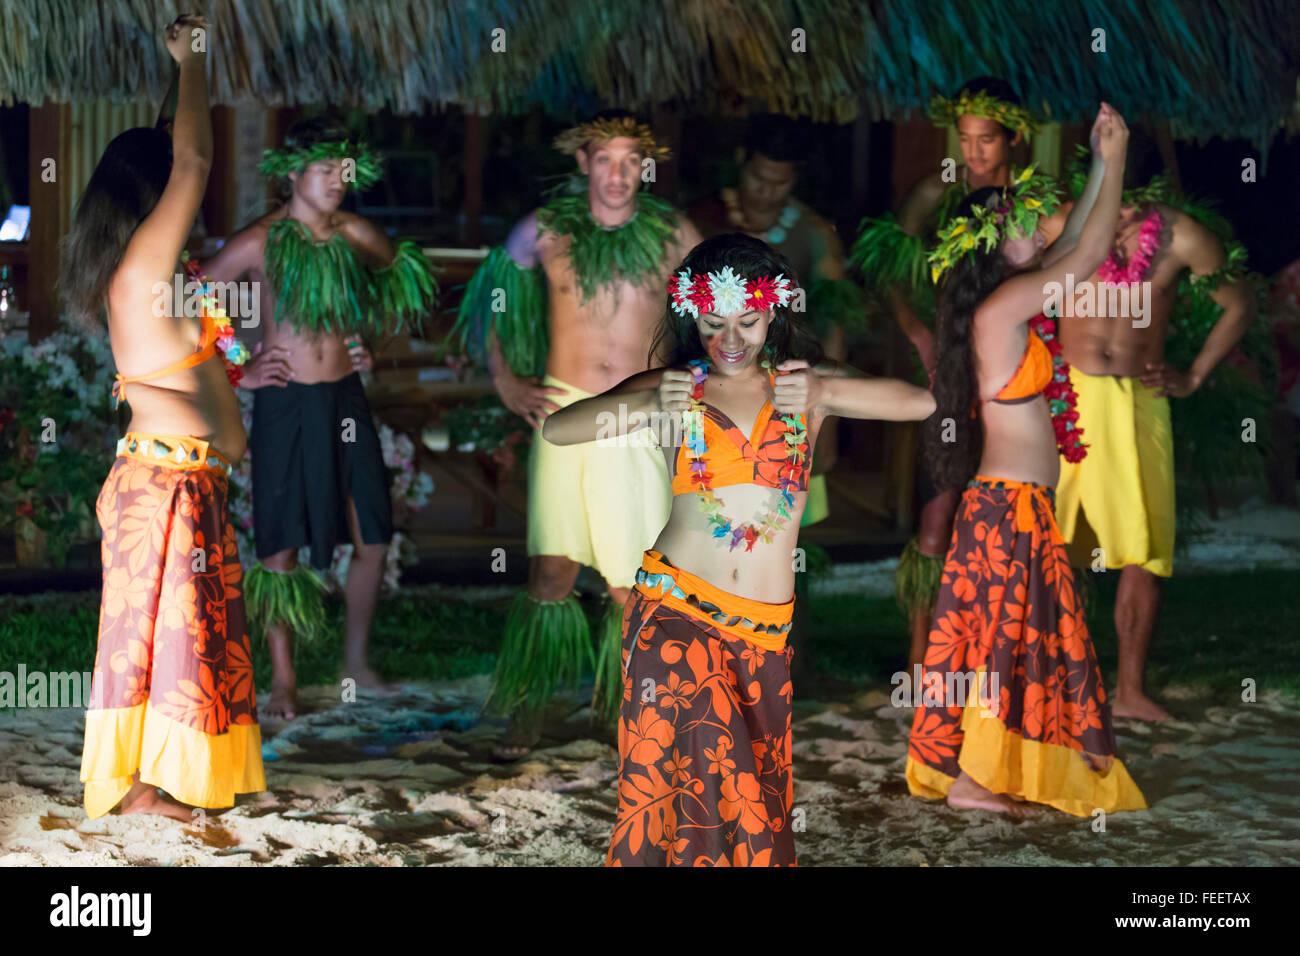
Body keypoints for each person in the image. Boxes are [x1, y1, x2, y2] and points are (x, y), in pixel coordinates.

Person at [543, 233, 935, 866]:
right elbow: (558, 429)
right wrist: (648, 403)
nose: (729, 339)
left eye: (748, 321)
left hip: (761, 630)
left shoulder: (804, 388)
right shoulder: (675, 387)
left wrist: (825, 394)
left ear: (773, 312)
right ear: (691, 315)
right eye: (712, 321)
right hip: (675, 611)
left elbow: (922, 403)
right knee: (701, 781)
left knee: (750, 787)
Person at [906, 104, 1146, 817]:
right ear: (991, 242)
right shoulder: (1003, 308)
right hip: (1008, 507)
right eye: (1017, 222)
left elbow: (1072, 240)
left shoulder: (1003, 300)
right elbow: (1089, 255)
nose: (1031, 227)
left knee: (1002, 642)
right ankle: (976, 780)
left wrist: (1102, 161)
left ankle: (974, 772)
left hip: (1011, 506)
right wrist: (1120, 161)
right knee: (1004, 646)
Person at [63, 14, 264, 820]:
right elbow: (192, 155)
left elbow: (169, 151)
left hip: (189, 483)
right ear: (152, 204)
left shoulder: (160, 271)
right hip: (163, 485)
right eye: (179, 197)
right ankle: (138, 788)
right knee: (156, 642)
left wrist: (170, 73)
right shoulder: (144, 265)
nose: (196, 201)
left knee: (189, 642)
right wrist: (197, 60)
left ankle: (168, 777)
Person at [451, 111, 703, 751]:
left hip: (639, 416)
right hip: (563, 412)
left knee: (632, 581)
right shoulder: (544, 230)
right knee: (551, 575)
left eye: (631, 161)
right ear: (583, 162)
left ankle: (633, 714)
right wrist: (505, 379)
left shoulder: (673, 233)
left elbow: (718, 313)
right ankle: (525, 709)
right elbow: (493, 299)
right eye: (606, 159)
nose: (618, 174)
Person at [201, 115, 438, 719]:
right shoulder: (259, 239)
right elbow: (195, 296)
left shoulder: (357, 233)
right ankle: (282, 679)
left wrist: (376, 346)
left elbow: (401, 289)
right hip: (286, 400)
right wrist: (239, 366)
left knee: (375, 534)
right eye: (326, 168)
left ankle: (354, 662)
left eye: (345, 170)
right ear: (293, 172)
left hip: (347, 398)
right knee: (279, 542)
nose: (339, 180)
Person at [1050, 151, 1258, 722]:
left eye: (1126, 203)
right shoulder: (1060, 220)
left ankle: (1131, 691)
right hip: (1063, 396)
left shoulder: (1184, 237)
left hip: (1137, 401)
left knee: (1144, 548)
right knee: (1048, 543)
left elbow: (1238, 302)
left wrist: (1191, 375)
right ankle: (1051, 680)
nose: (1114, 216)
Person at [851, 77, 1040, 679]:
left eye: (986, 140)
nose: (974, 152)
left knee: (1011, 509)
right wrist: (916, 330)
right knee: (938, 512)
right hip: (950, 372)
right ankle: (920, 656)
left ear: (1013, 136)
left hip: (1017, 378)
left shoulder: (1036, 203)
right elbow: (885, 268)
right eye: (964, 138)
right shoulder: (938, 192)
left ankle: (1001, 653)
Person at [689, 114, 868, 686]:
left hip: (791, 401)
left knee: (791, 535)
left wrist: (830, 419)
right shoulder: (702, 221)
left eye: (781, 183)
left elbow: (834, 324)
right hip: (717, 403)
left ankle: (794, 660)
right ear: (743, 164)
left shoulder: (814, 233)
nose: (767, 192)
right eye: (760, 178)